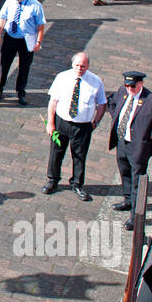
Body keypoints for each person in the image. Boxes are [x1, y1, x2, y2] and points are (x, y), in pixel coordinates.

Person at [106, 70, 152, 230]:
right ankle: (127, 200)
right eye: (127, 85)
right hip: (122, 142)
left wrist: (149, 136)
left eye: (133, 86)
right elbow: (112, 102)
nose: (130, 88)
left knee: (137, 182)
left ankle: (135, 216)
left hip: (138, 148)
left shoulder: (151, 101)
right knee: (124, 173)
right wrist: (116, 118)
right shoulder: (123, 92)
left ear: (141, 84)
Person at [45, 52, 107, 200]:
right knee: (56, 152)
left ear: (88, 66)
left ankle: (77, 184)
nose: (80, 68)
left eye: (83, 66)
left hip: (83, 126)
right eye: (77, 65)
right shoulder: (62, 77)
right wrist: (51, 123)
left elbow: (102, 104)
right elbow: (53, 102)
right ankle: (52, 180)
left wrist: (95, 123)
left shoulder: (96, 82)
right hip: (62, 122)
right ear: (72, 64)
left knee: (79, 156)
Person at [0, 0, 46, 105]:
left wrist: (38, 42)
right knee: (4, 64)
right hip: (10, 37)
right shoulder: (9, 1)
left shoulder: (35, 6)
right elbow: (3, 17)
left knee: (24, 66)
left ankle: (21, 92)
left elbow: (40, 26)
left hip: (27, 39)